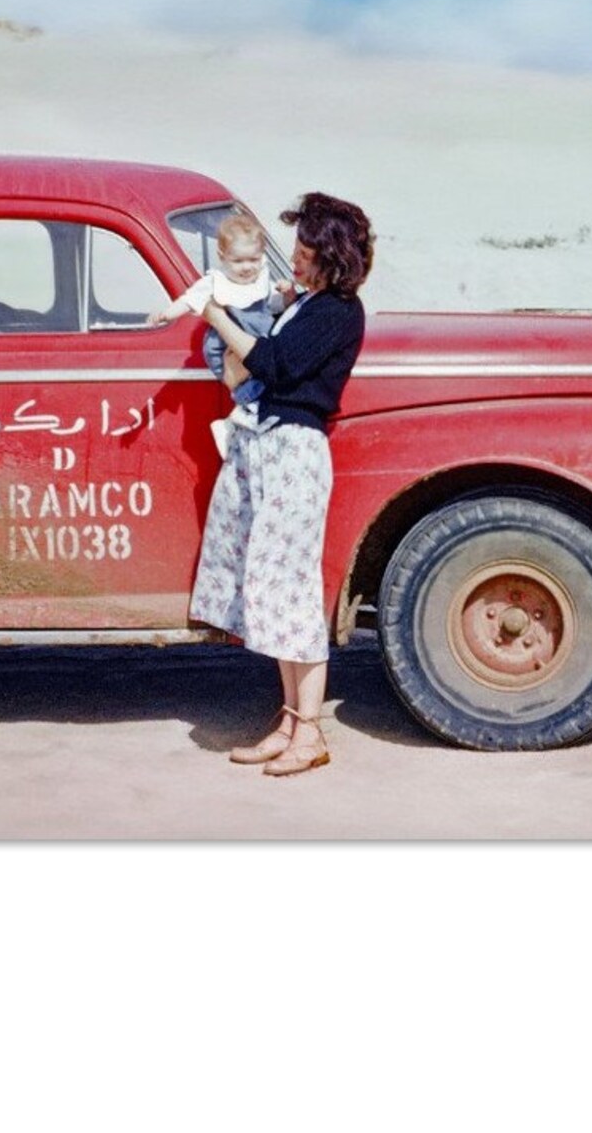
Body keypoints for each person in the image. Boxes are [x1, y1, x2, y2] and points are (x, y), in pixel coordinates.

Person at [186, 191, 373, 777]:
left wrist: (214, 314)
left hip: (294, 452)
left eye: (303, 250)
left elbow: (274, 366)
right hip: (271, 448)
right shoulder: (307, 303)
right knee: (271, 585)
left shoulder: (338, 312)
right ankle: (290, 720)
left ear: (330, 256)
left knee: (291, 593)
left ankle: (310, 732)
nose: (292, 258)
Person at [149, 209, 293, 452]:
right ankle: (234, 428)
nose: (247, 267)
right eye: (238, 261)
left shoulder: (261, 281)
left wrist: (287, 295)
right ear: (222, 256)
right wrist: (166, 314)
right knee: (254, 389)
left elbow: (275, 305)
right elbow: (189, 300)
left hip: (256, 347)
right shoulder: (215, 282)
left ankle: (243, 423)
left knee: (267, 387)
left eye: (253, 260)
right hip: (226, 348)